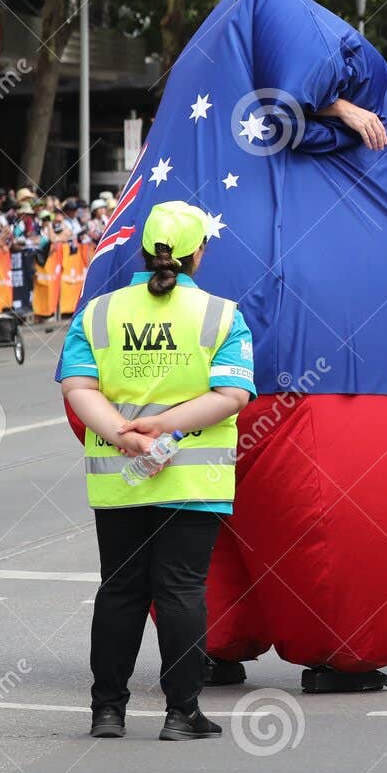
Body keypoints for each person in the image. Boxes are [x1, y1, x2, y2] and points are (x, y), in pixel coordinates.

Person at [60, 0, 387, 694]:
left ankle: (207, 647)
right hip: (336, 353)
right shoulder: (290, 15)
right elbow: (293, 90)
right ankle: (338, 644)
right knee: (322, 512)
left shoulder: (212, 39)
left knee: (183, 532)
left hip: (160, 394)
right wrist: (343, 110)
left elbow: (79, 378)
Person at [58, 202, 254, 741]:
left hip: (119, 478)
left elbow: (78, 388)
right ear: (198, 254)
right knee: (181, 592)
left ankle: (107, 710)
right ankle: (181, 713)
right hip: (193, 481)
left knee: (119, 590)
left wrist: (124, 433)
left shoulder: (97, 313)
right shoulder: (220, 315)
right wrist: (163, 427)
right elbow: (231, 394)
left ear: (144, 250)